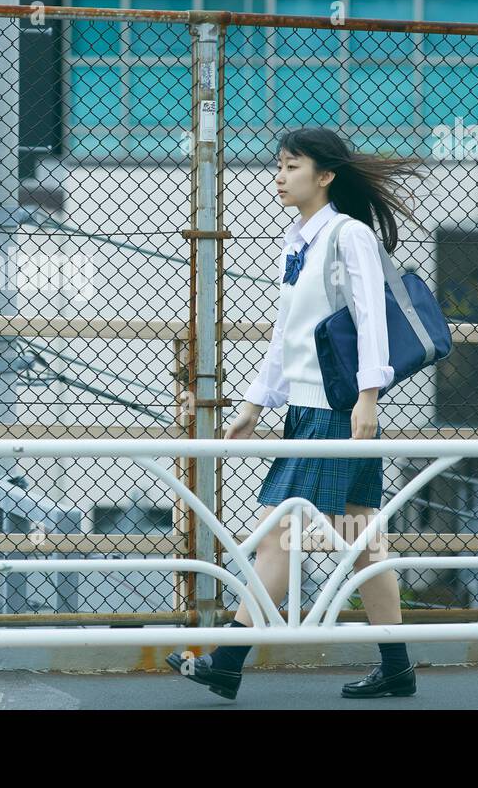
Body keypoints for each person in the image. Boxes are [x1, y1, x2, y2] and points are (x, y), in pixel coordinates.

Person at [167, 127, 427, 700]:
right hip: (309, 411)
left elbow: (371, 320)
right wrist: (256, 404)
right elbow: (288, 334)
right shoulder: (298, 240)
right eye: (278, 167)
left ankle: (226, 659)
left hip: (335, 411)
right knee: (363, 538)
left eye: (291, 167)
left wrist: (368, 396)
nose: (279, 177)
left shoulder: (348, 235)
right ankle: (398, 668)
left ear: (324, 175)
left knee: (278, 536)